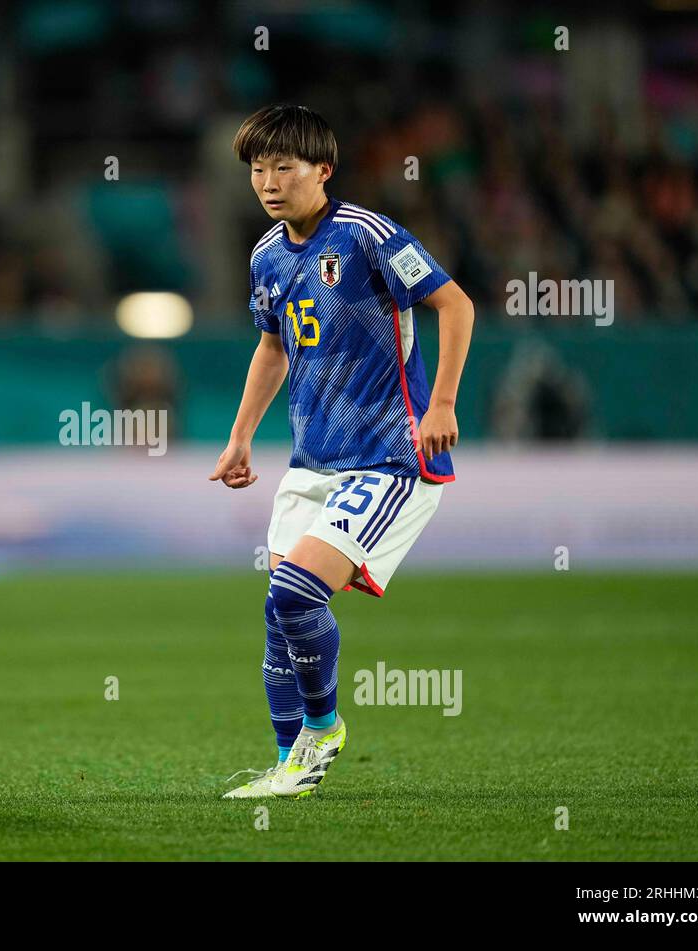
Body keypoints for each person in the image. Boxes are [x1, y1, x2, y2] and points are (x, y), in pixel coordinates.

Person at [210, 104, 475, 799]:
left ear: (322, 170)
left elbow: (456, 305)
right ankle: (292, 765)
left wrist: (443, 403)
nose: (267, 180)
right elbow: (272, 345)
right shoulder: (267, 254)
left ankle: (323, 730)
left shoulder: (366, 235)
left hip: (391, 456)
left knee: (297, 589)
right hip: (311, 465)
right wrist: (240, 435)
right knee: (280, 611)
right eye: (257, 168)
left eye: (283, 166)